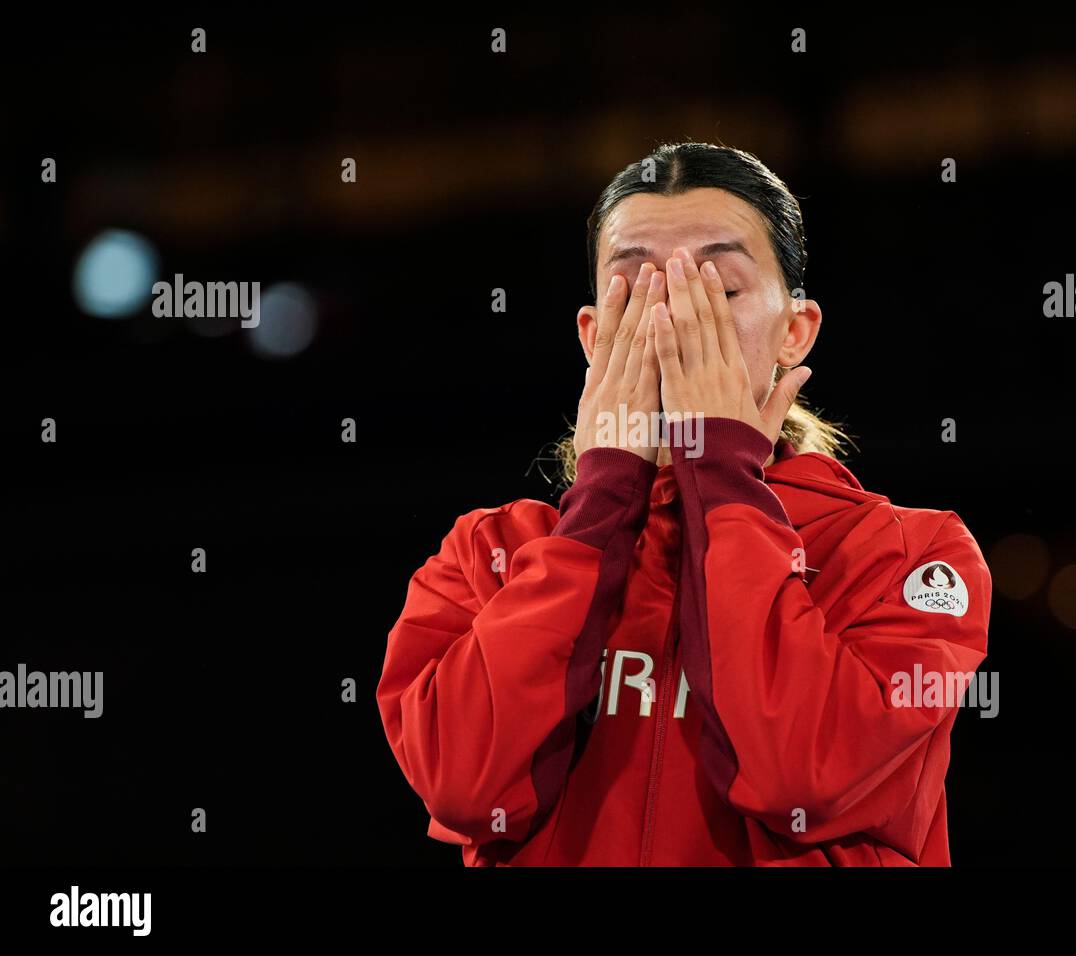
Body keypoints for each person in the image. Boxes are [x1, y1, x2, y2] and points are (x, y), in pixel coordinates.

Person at [375, 142, 991, 865]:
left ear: (795, 332)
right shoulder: (488, 555)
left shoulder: (909, 555)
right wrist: (603, 501)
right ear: (591, 335)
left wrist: (725, 477)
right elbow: (465, 787)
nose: (673, 320)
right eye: (635, 290)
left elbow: (802, 776)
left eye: (719, 290)